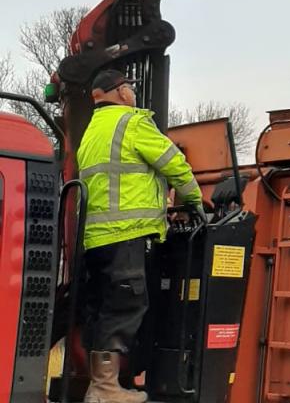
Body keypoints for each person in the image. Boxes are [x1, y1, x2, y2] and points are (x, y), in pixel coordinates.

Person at [77, 69, 204, 403]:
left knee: (104, 309)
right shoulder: (132, 123)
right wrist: (194, 201)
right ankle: (105, 390)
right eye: (130, 88)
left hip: (95, 239)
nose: (133, 93)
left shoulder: (91, 132)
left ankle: (101, 385)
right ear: (120, 93)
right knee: (125, 308)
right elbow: (174, 164)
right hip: (129, 235)